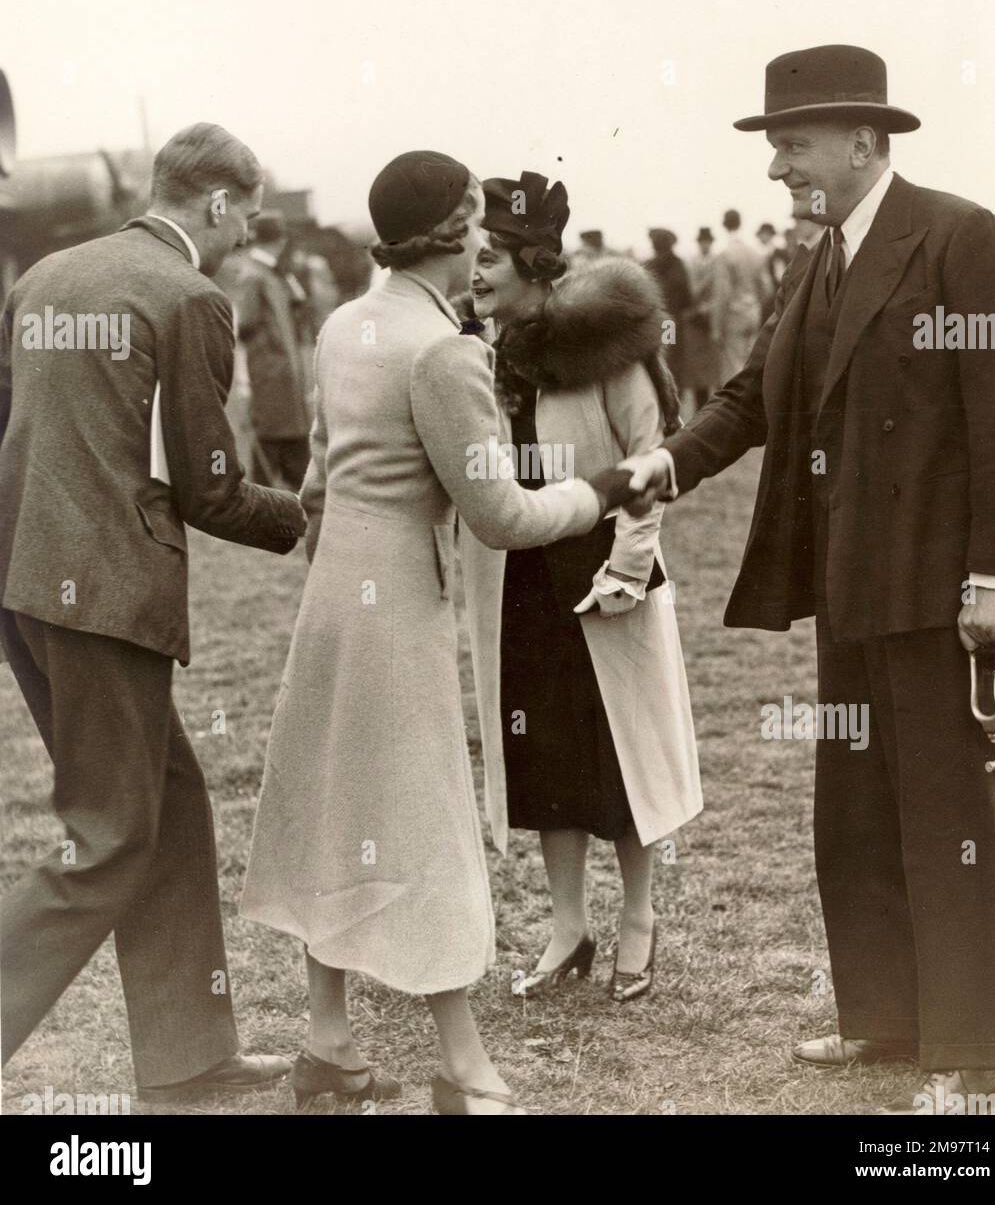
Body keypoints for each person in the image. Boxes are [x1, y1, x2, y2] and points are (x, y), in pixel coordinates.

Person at [622, 44, 995, 1115]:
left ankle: (969, 1048)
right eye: (773, 149)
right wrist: (670, 460)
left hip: (937, 587)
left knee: (940, 808)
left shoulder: (960, 237)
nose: (776, 170)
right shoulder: (817, 261)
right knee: (854, 811)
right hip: (847, 580)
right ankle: (884, 1020)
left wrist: (994, 575)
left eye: (791, 146)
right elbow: (755, 394)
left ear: (863, 140)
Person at [240, 151, 635, 1115]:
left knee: (333, 807)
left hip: (336, 596)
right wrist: (601, 491)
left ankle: (330, 1046)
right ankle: (461, 1067)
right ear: (451, 234)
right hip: (397, 606)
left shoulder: (343, 325)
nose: (486, 241)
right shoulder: (443, 349)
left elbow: (321, 484)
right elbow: (501, 514)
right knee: (422, 821)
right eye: (476, 223)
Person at [0, 122, 307, 1100]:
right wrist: (302, 515)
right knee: (111, 838)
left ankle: (186, 1060)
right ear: (215, 203)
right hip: (106, 600)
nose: (247, 235)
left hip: (28, 588)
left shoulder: (44, 276)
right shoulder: (189, 297)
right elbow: (211, 486)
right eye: (246, 216)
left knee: (169, 811)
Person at [460, 172, 702, 1004]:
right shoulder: (476, 354)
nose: (475, 272)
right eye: (470, 256)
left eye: (488, 257)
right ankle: (568, 928)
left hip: (603, 576)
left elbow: (647, 459)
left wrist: (628, 569)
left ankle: (638, 920)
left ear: (533, 263)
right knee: (544, 756)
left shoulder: (607, 347)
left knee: (619, 756)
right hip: (523, 576)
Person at [235, 210, 312, 490]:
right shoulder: (254, 276)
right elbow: (243, 329)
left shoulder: (274, 274)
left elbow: (298, 311)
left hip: (284, 384)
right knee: (270, 461)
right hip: (270, 384)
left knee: (294, 457)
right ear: (279, 241)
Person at [712, 207, 768, 380]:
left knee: (733, 366)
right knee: (750, 362)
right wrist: (755, 304)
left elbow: (723, 293)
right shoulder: (755, 253)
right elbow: (767, 288)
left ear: (724, 226)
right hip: (753, 311)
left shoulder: (725, 254)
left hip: (734, 314)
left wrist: (716, 326)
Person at [645, 227, 692, 402]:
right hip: (671, 322)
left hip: (653, 322)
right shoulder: (678, 265)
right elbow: (688, 297)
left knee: (658, 359)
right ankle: (673, 397)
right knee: (673, 359)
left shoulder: (649, 265)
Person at [686, 226, 721, 409]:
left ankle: (716, 407)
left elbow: (720, 291)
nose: (705, 245)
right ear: (699, 243)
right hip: (697, 319)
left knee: (715, 367)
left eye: (707, 242)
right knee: (699, 367)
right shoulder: (692, 262)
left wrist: (710, 307)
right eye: (702, 242)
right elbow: (693, 290)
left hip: (713, 318)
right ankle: (701, 407)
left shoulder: (717, 260)